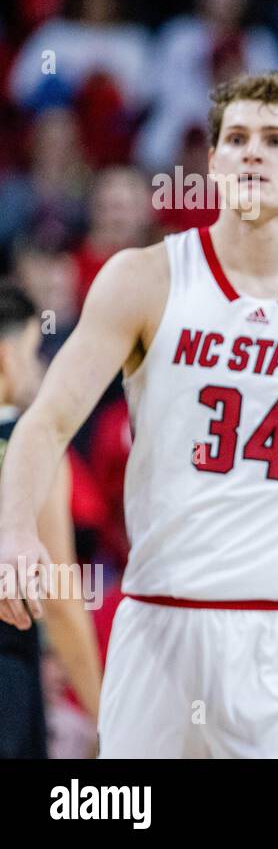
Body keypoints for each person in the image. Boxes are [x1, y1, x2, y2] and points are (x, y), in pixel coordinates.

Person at [0, 71, 278, 758]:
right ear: (214, 161)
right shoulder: (146, 278)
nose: (253, 152)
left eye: (276, 139)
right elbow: (42, 423)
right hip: (160, 621)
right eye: (237, 139)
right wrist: (17, 533)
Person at [0, 284, 102, 758]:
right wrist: (105, 715)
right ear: (5, 357)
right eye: (32, 352)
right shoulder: (30, 444)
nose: (39, 369)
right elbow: (59, 597)